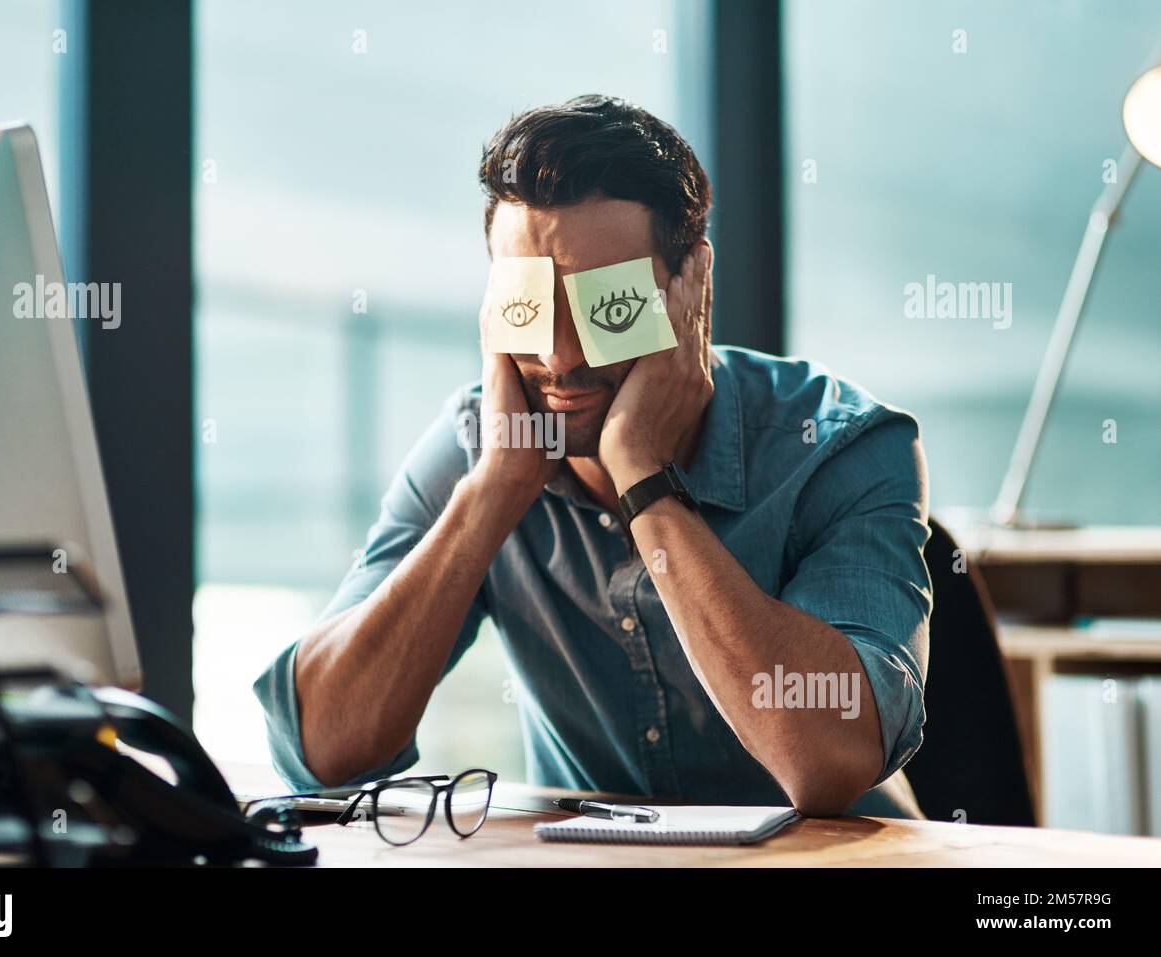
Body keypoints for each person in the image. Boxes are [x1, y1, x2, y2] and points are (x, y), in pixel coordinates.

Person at [256, 95, 931, 817]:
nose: (560, 357)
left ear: (691, 286)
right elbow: (321, 752)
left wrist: (645, 483)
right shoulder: (476, 447)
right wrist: (495, 487)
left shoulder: (840, 447)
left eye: (608, 307)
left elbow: (826, 758)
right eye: (530, 306)